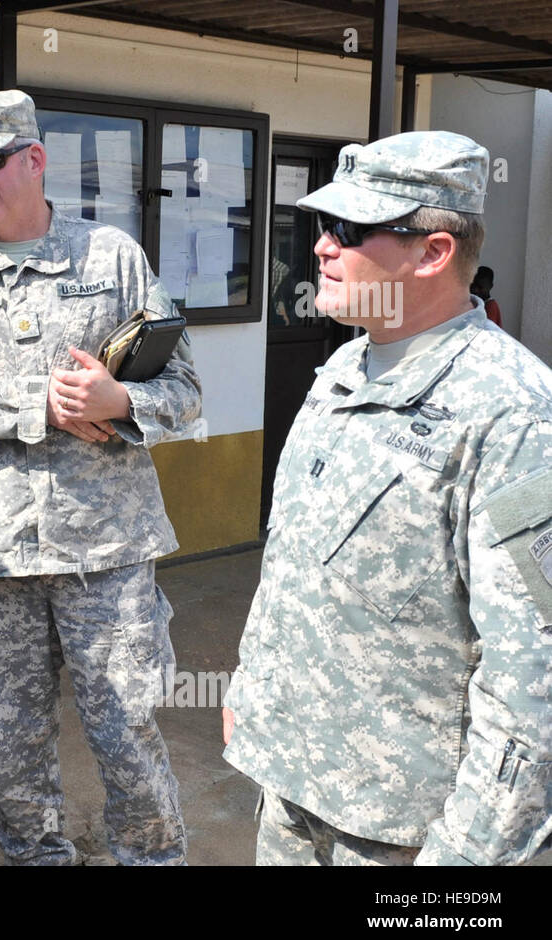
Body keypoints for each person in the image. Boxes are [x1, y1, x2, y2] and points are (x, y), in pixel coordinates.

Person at [0, 90, 201, 866]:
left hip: (109, 554)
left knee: (128, 737)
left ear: (34, 159)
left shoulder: (112, 257)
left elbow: (186, 395)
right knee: (12, 749)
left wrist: (119, 398)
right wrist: (37, 404)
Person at [222, 131, 552, 866]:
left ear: (433, 251)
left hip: (402, 833)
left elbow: (534, 671)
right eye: (322, 227)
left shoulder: (513, 411)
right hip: (292, 785)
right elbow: (294, 558)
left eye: (348, 229)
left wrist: (466, 859)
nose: (321, 248)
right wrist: (252, 684)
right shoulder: (346, 364)